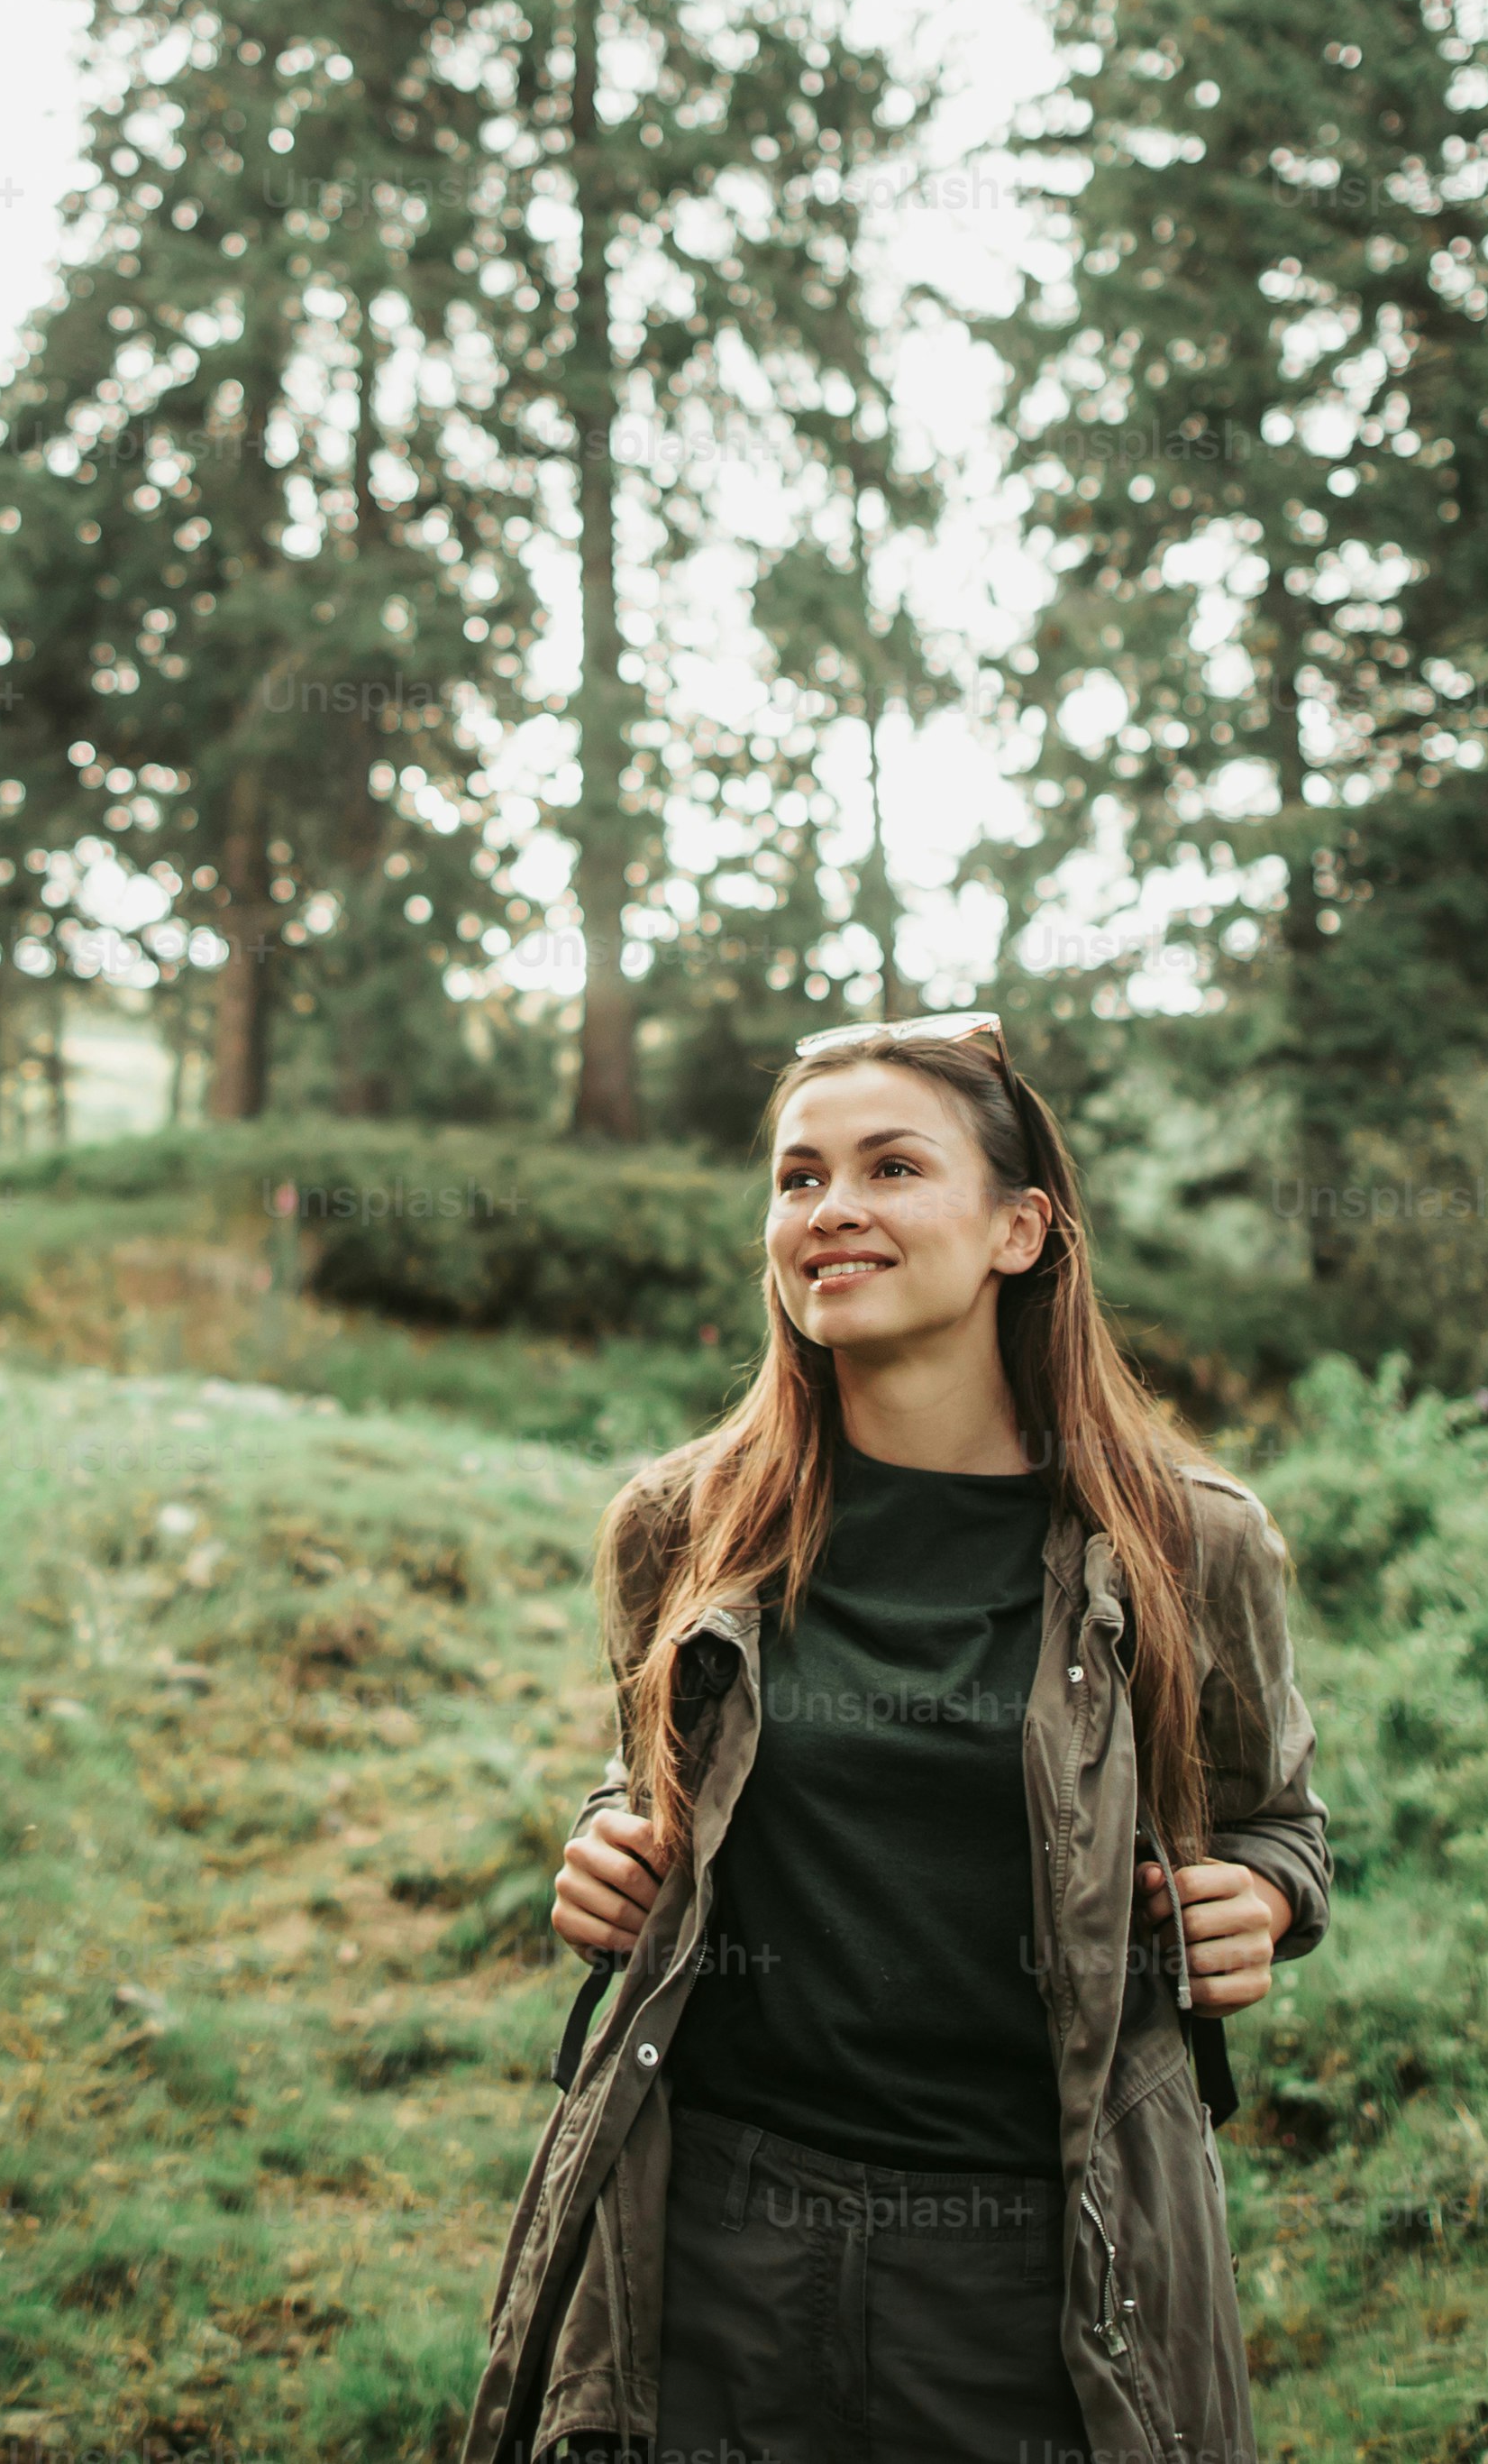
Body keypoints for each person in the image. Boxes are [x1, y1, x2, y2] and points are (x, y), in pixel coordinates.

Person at [458, 1011, 1332, 2464]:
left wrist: (1270, 1897)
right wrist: (609, 1850)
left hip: (1042, 2261)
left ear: (1018, 1229)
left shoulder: (1186, 1544)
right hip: (715, 2241)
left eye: (890, 1167)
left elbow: (1274, 1824)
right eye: (800, 1178)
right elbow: (655, 1784)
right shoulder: (679, 1526)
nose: (833, 1210)